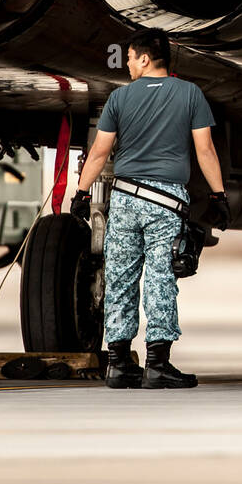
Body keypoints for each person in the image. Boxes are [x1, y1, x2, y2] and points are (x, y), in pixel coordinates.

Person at [71, 28, 229, 390]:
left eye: (129, 58)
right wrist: (219, 196)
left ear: (145, 59)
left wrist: (81, 193)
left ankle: (118, 364)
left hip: (124, 199)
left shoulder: (119, 99)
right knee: (160, 279)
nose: (127, 64)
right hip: (165, 201)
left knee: (121, 279)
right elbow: (205, 150)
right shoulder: (190, 94)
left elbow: (99, 152)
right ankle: (157, 365)